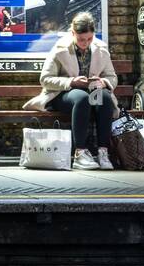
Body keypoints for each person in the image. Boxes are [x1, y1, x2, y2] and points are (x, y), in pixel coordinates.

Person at [23, 11, 118, 170]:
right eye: (81, 39)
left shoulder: (101, 49)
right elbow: (45, 79)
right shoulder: (60, 49)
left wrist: (104, 82)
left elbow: (112, 76)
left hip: (91, 93)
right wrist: (71, 82)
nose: (85, 43)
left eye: (89, 38)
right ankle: (79, 153)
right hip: (62, 94)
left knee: (105, 99)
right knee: (81, 98)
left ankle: (103, 151)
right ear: (73, 33)